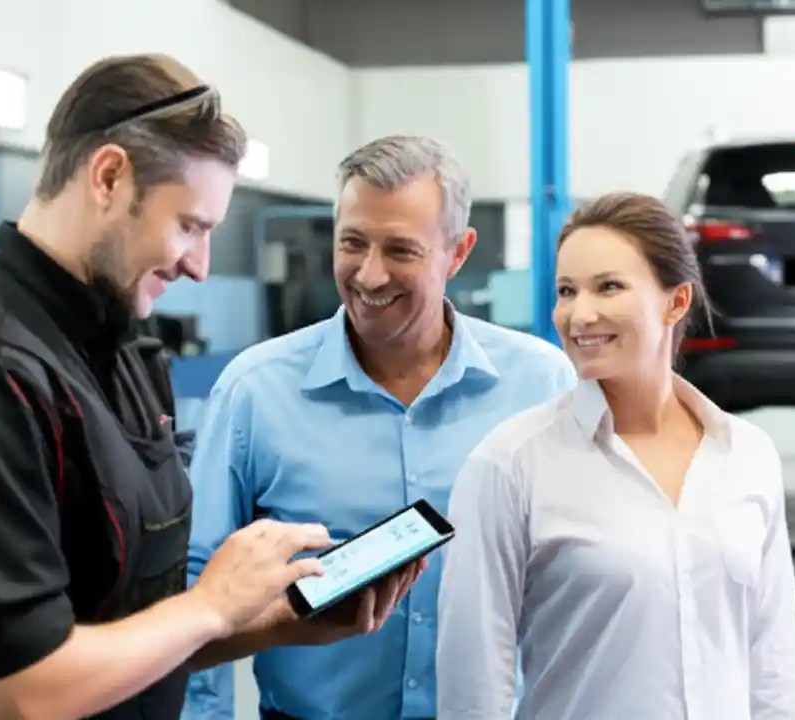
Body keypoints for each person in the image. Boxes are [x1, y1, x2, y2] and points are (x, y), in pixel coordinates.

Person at [0, 54, 415, 720]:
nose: (200, 265)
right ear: (109, 176)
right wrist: (210, 605)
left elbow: (129, 632)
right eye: (189, 226)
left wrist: (281, 624)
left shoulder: (124, 351)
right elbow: (15, 694)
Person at [182, 135, 577, 720]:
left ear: (457, 252)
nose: (369, 274)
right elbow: (198, 583)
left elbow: (575, 571)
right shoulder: (256, 391)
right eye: (353, 243)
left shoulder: (540, 384)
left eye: (401, 250)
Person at [436, 192, 795, 720]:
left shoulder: (747, 457)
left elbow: (774, 663)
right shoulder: (510, 465)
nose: (580, 314)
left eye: (608, 286)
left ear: (675, 302)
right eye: (567, 291)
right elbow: (473, 680)